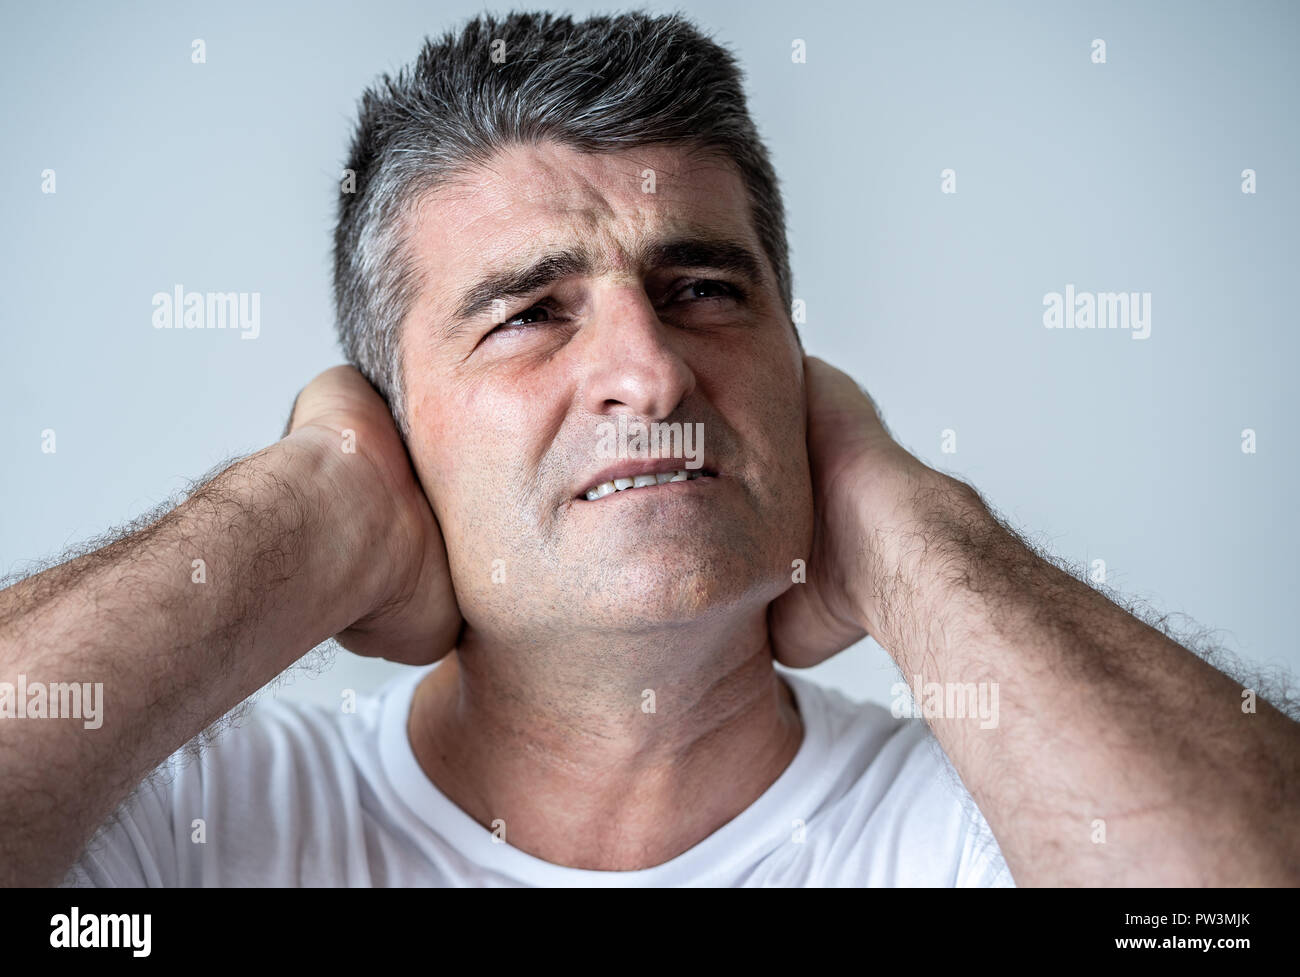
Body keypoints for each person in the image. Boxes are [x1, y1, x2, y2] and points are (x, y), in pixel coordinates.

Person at [3, 10, 1297, 888]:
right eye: (529, 314)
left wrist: (899, 520)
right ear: (394, 424)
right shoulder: (195, 835)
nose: (652, 369)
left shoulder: (992, 831)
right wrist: (306, 512)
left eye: (705, 291)